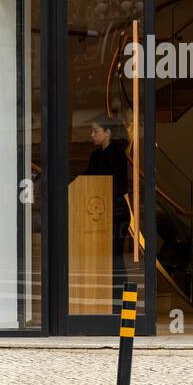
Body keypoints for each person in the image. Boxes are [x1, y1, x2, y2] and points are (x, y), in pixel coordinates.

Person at [84, 115, 131, 306]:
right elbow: (85, 180)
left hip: (116, 211)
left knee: (115, 255)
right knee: (103, 256)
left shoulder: (118, 154)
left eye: (96, 131)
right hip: (98, 212)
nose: (92, 134)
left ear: (108, 133)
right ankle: (105, 298)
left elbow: (120, 186)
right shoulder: (95, 156)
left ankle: (120, 300)